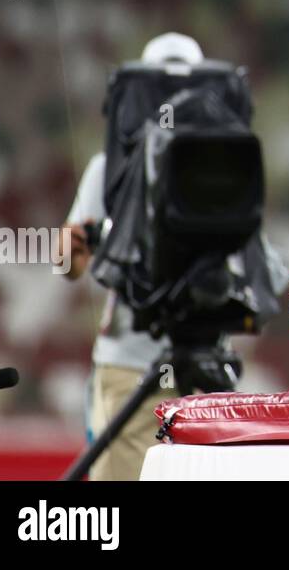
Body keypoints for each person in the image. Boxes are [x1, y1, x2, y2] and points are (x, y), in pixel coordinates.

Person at [56, 32, 206, 480]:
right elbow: (68, 263)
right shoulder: (112, 168)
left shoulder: (217, 163)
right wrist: (83, 242)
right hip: (135, 362)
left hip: (189, 358)